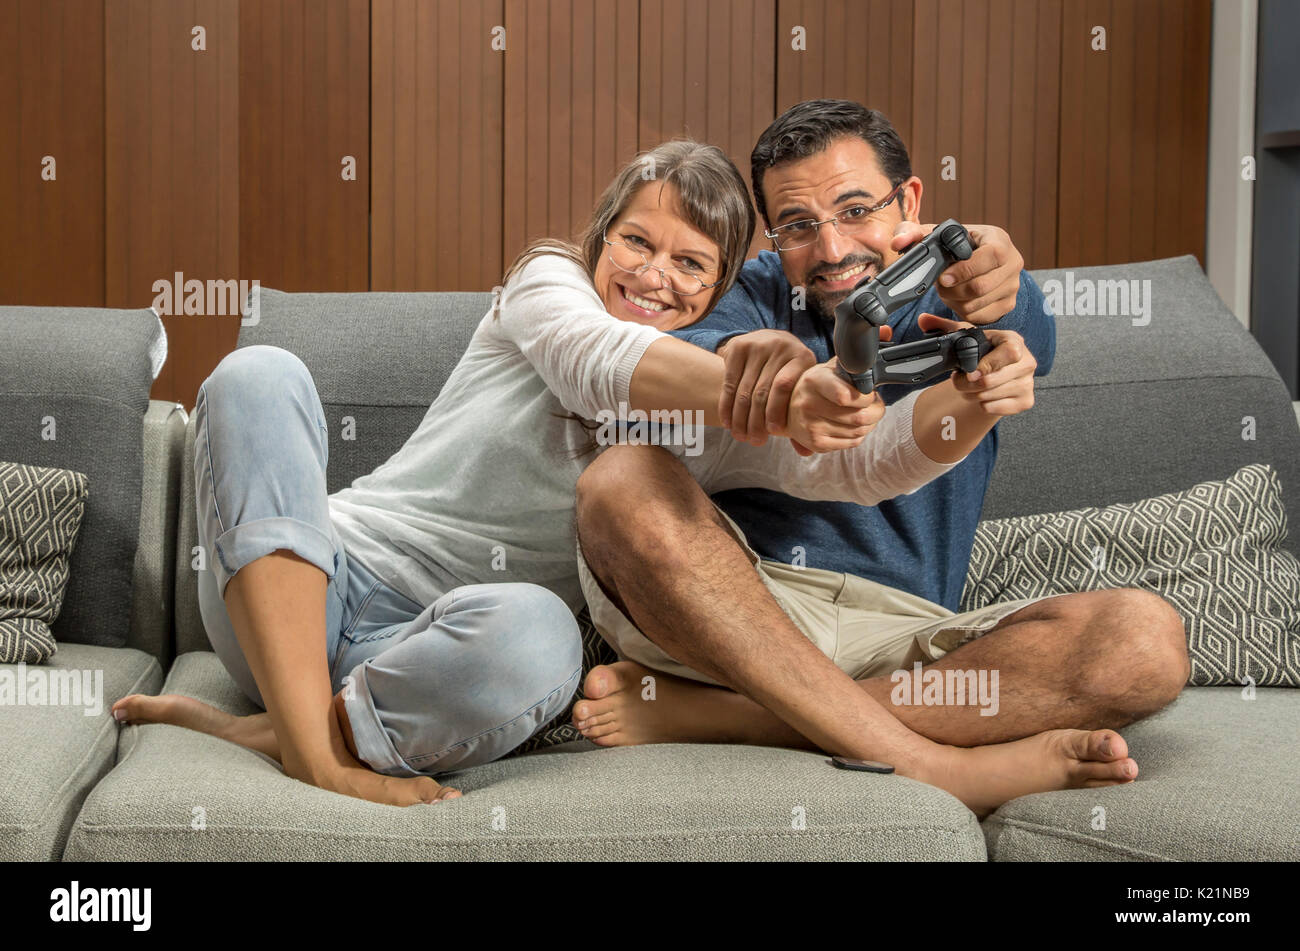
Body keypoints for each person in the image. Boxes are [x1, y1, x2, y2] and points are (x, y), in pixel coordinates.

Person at [108, 139, 903, 806]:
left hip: (433, 654)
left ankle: (278, 724)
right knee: (260, 375)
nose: (656, 275)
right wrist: (779, 392)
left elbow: (865, 468)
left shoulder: (715, 426)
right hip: (299, 587)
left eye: (691, 263)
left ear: (720, 289)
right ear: (600, 236)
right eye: (637, 241)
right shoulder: (546, 285)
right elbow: (597, 365)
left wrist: (973, 404)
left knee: (544, 637)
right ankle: (317, 752)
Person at [571, 102, 1189, 818]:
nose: (831, 249)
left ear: (911, 202)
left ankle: (738, 718)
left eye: (856, 209)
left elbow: (1028, 328)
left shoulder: (962, 290)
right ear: (773, 235)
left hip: (911, 639)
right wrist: (753, 364)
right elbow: (686, 359)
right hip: (741, 613)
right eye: (798, 226)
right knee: (620, 478)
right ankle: (917, 754)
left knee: (1145, 641)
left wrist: (1003, 283)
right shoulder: (752, 292)